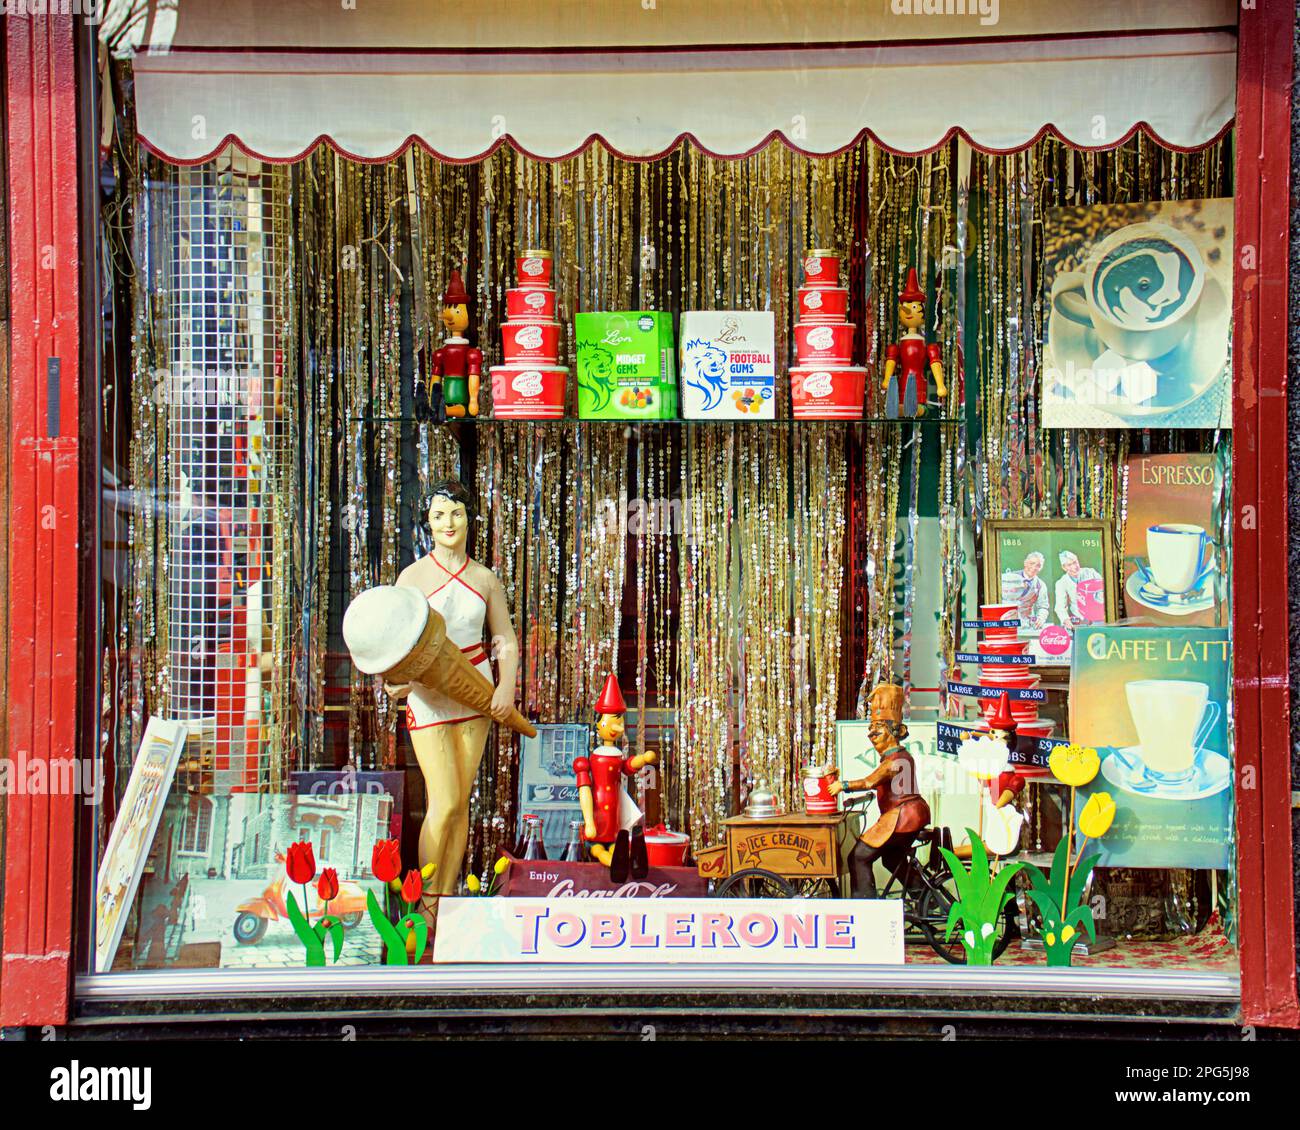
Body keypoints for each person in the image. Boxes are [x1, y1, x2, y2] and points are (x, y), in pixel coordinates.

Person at [384, 480, 521, 900]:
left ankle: (445, 901)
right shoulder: (413, 576)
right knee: (441, 803)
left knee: (460, 805)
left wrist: (506, 689)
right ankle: (422, 901)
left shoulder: (484, 578)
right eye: (440, 514)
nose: (449, 523)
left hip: (475, 695)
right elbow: (394, 636)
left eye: (457, 514)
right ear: (428, 521)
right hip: (427, 697)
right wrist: (396, 679)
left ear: (469, 519)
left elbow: (505, 640)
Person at [828, 683, 931, 898]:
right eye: (871, 728)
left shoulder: (896, 760)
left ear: (895, 731)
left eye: (879, 727)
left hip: (903, 817)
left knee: (858, 856)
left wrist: (842, 786)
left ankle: (866, 907)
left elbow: (869, 781)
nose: (872, 733)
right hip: (906, 816)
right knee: (892, 859)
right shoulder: (897, 758)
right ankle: (924, 898)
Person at [572, 674, 656, 881]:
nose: (618, 728)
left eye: (619, 722)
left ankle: (621, 859)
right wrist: (589, 821)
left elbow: (627, 767)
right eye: (613, 720)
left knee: (616, 840)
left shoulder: (616, 756)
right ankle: (613, 861)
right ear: (600, 723)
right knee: (597, 847)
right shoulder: (589, 760)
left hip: (615, 810)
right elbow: (585, 790)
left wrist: (643, 759)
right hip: (599, 810)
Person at [1054, 549, 1102, 627]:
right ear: (1064, 567)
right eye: (1069, 565)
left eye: (1075, 562)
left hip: (1098, 616)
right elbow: (1060, 607)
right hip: (1080, 619)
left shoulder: (1091, 572)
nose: (1075, 567)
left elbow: (1104, 591)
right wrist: (1066, 619)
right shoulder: (1061, 583)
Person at [1014, 551, 1049, 630]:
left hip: (1028, 625)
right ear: (1025, 563)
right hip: (1009, 621)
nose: (1034, 568)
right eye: (1031, 563)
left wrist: (1041, 618)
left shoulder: (1041, 585)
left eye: (1038, 565)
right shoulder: (1011, 578)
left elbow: (1043, 607)